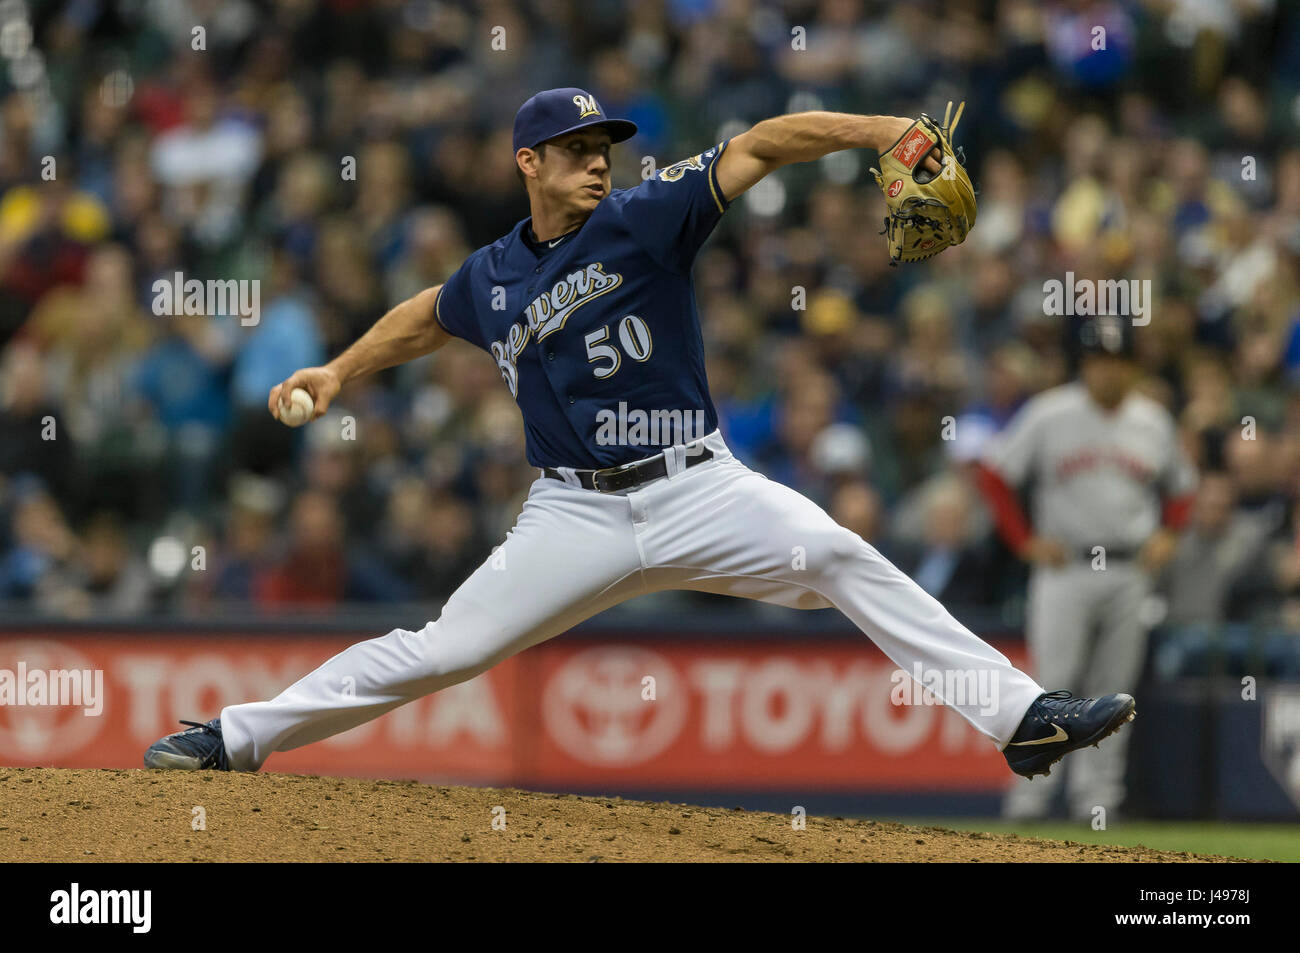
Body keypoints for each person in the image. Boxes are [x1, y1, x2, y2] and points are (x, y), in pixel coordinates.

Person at [144, 88, 1135, 781]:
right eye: (575, 150)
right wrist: (337, 370)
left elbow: (762, 144)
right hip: (570, 512)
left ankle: (1018, 717)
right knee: (442, 649)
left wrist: (877, 129)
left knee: (836, 551)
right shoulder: (490, 275)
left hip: (698, 487)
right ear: (527, 161)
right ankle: (235, 736)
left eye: (602, 147)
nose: (595, 161)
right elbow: (424, 315)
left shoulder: (647, 214)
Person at [975, 313, 1196, 820]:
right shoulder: (1050, 413)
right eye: (1099, 360)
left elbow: (1182, 491)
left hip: (1128, 570)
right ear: (1084, 364)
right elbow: (994, 474)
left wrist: (1168, 533)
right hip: (1066, 570)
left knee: (1116, 693)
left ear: (1133, 367)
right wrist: (1025, 541)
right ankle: (1028, 801)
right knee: (1050, 684)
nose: (1108, 371)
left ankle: (1097, 802)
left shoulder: (1152, 419)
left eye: (1118, 361)